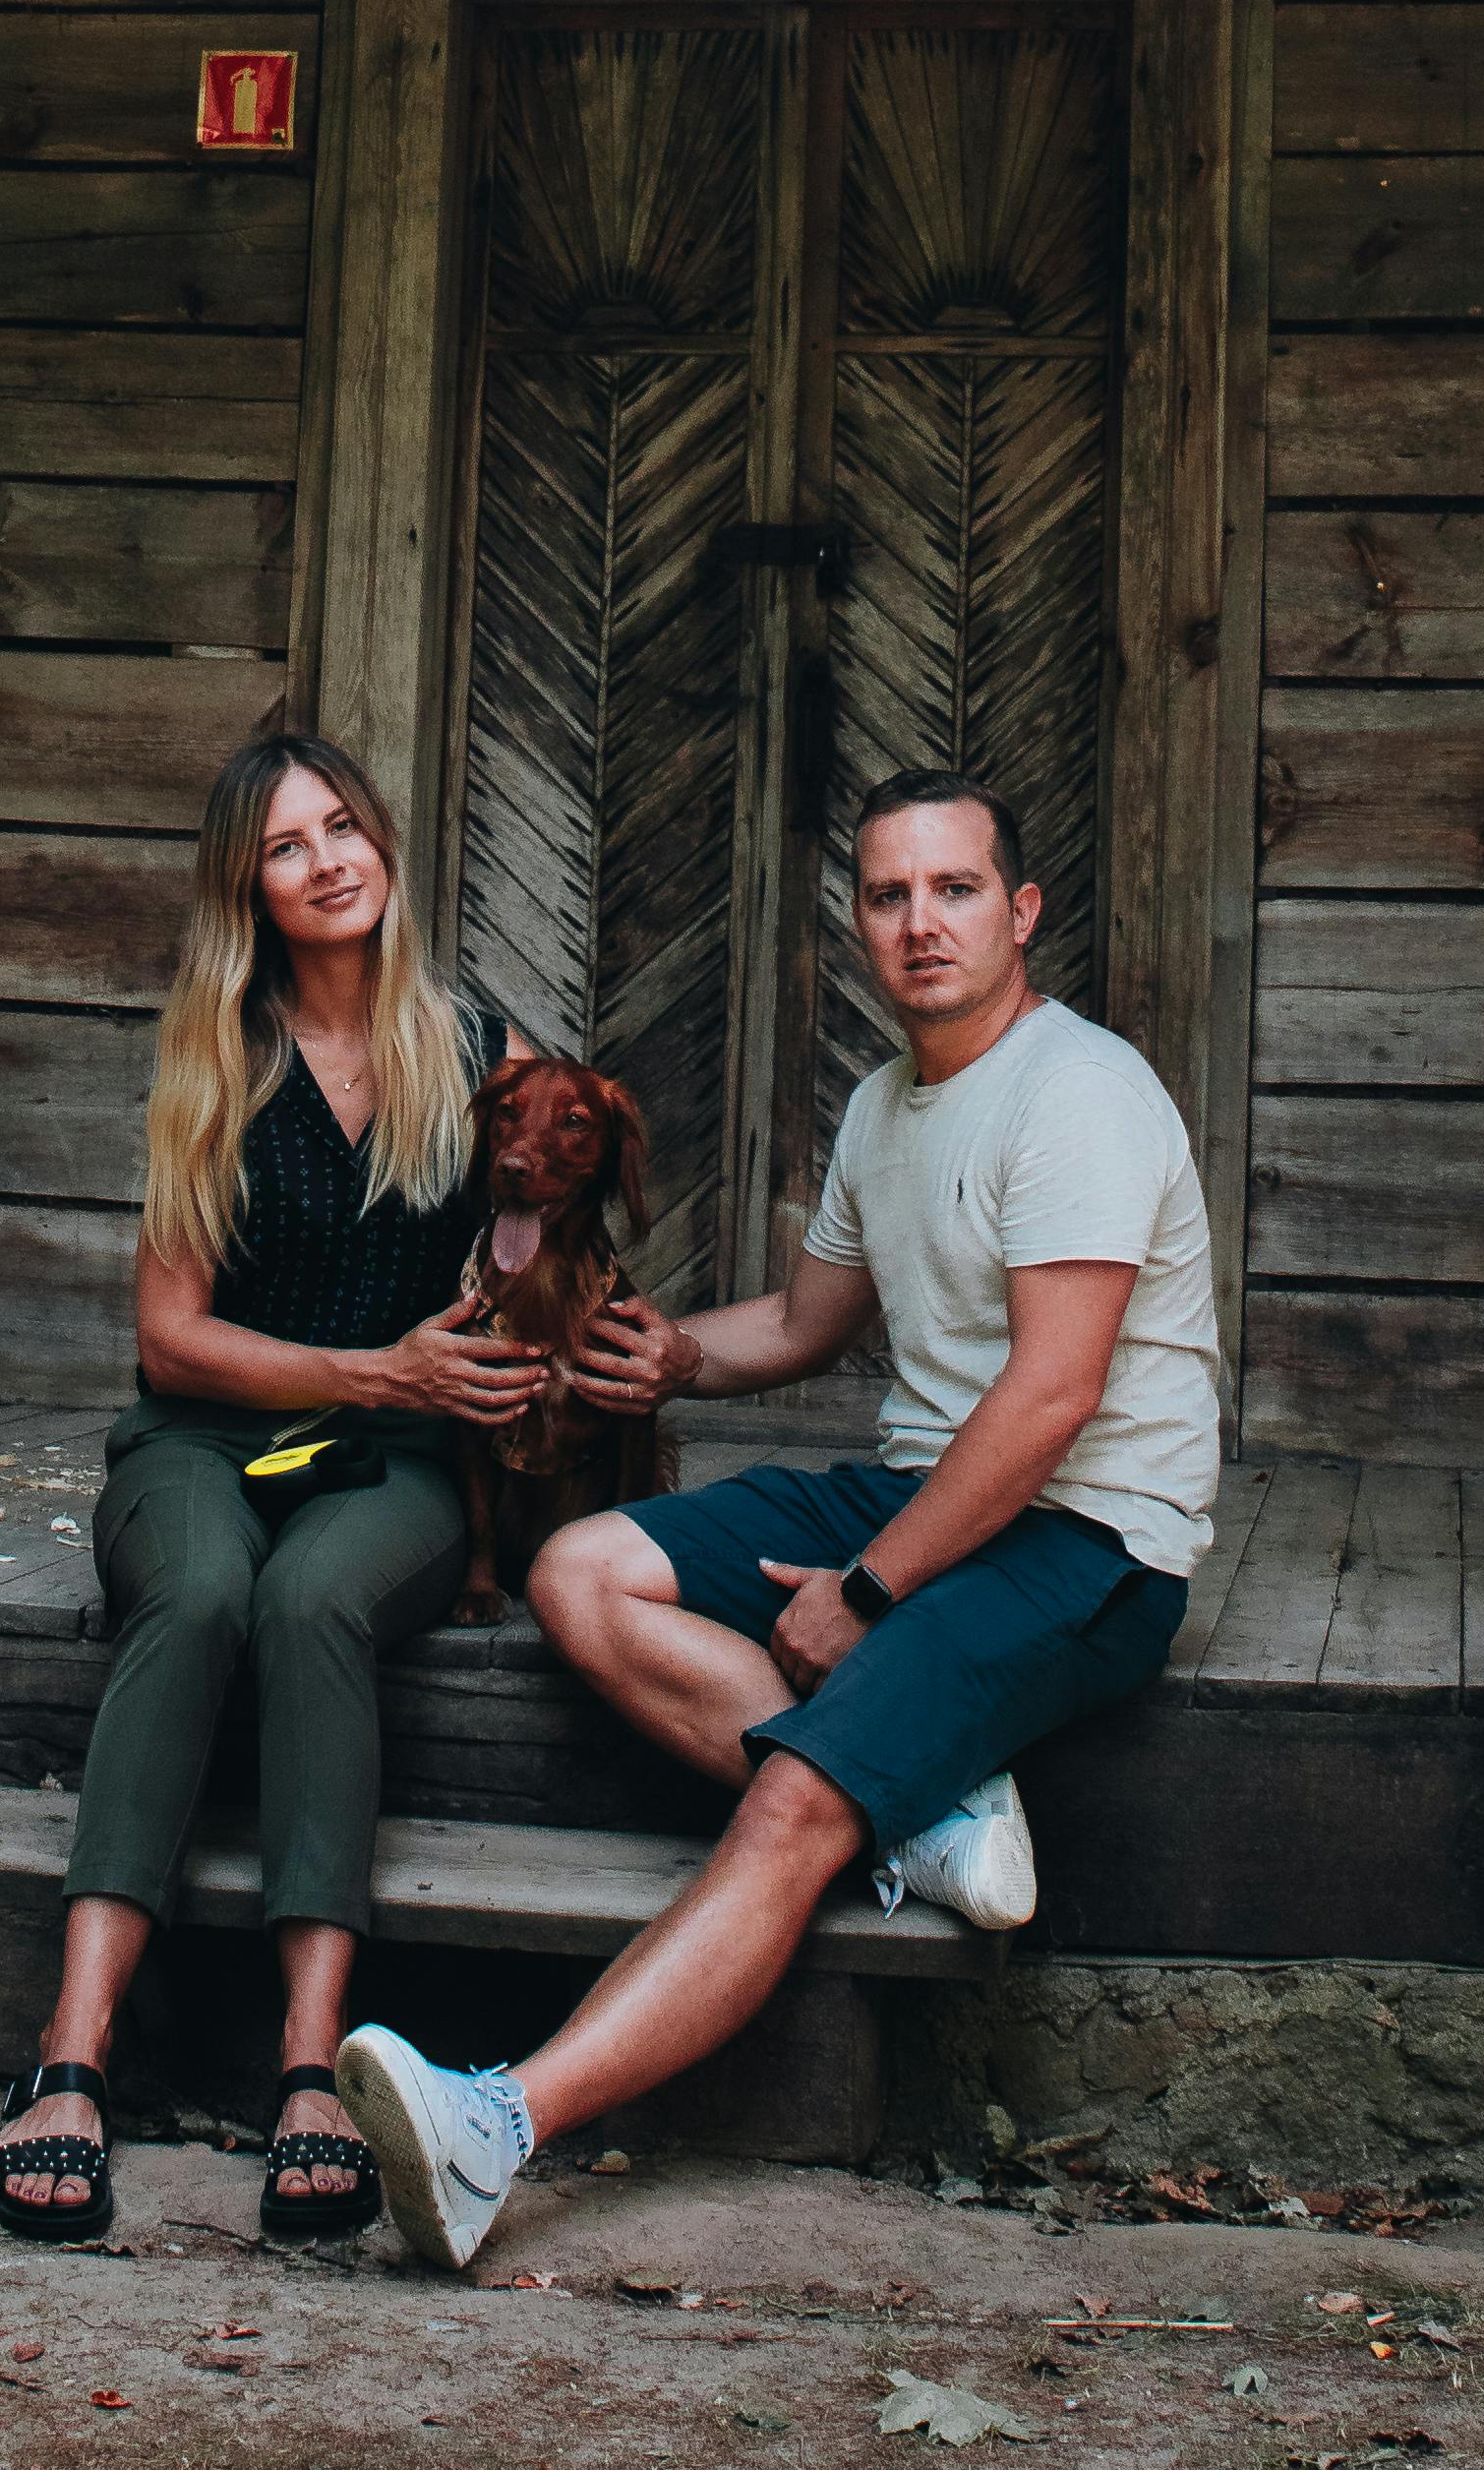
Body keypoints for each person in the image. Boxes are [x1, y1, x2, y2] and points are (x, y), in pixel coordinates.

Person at [331, 772, 1214, 2278]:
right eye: (889, 895)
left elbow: (1054, 1399)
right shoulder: (886, 1107)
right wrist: (675, 1354)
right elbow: (805, 1325)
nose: (920, 923)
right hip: (923, 1484)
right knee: (582, 1566)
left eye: (953, 889)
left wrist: (869, 1590)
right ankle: (930, 1807)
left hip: (1086, 1539)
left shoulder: (1082, 1093)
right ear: (860, 923)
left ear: (1021, 911)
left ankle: (498, 2128)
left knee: (799, 1803)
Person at [0, 733, 528, 2255]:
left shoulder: (475, 1048)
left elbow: (557, 1232)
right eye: (289, 845)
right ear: (250, 887)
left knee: (309, 1599)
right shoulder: (216, 1055)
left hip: (405, 1464)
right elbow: (170, 1336)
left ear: (385, 845)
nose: (329, 859)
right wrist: (374, 1373)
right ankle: (73, 2059)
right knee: (209, 1586)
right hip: (208, 1442)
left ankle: (312, 2068)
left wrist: (585, 1348)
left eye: (345, 825)